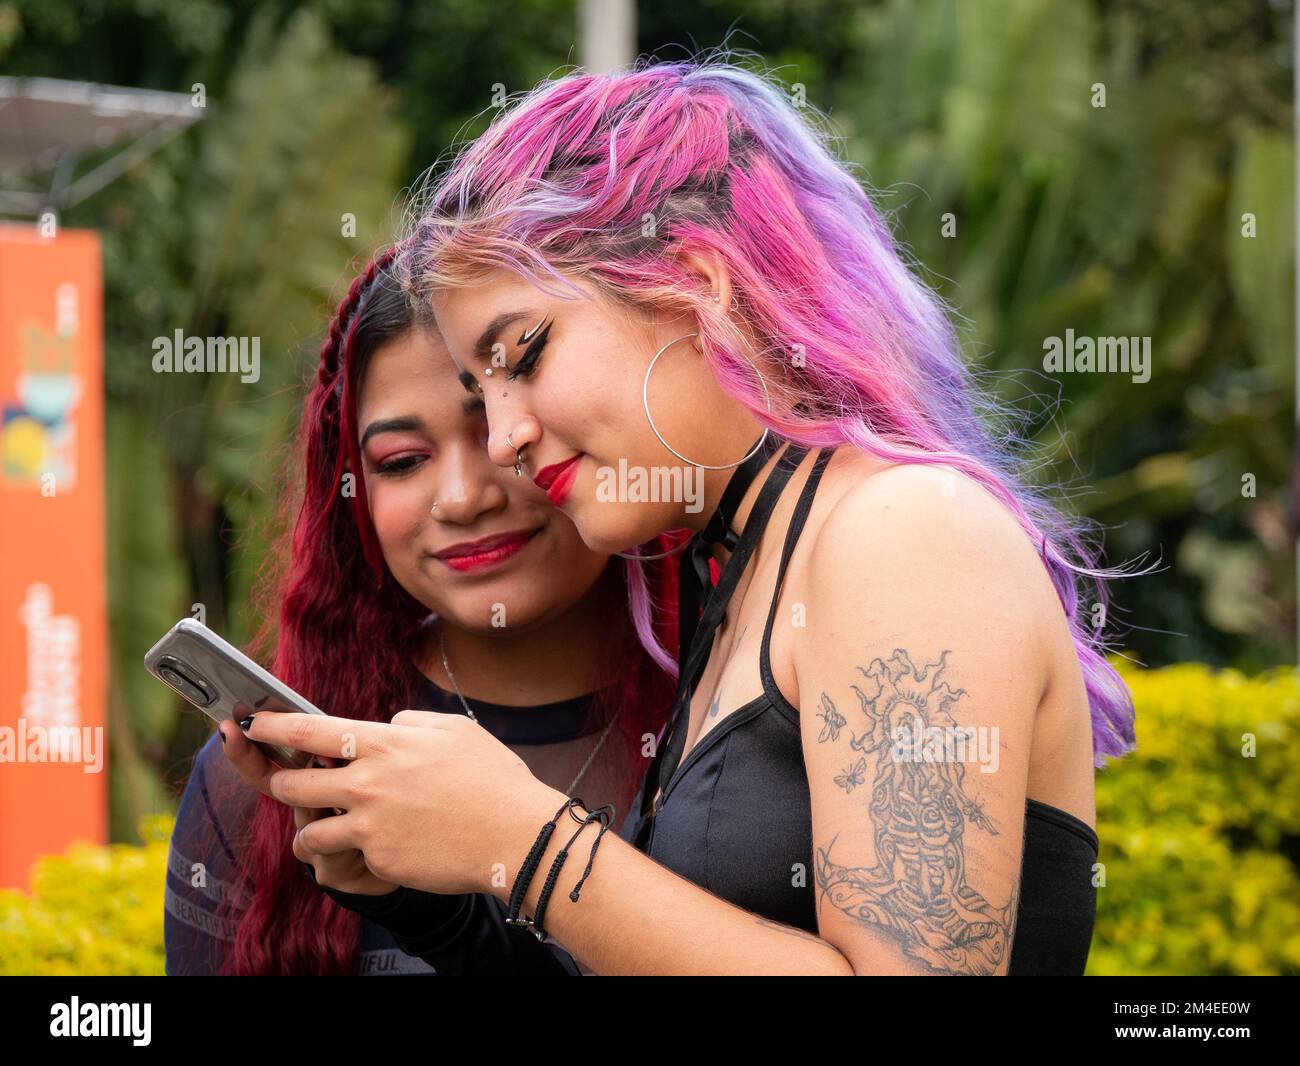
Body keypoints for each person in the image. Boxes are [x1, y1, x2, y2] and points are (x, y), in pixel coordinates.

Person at [242, 56, 1142, 975]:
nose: (506, 437)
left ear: (699, 283)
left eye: (524, 354)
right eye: (483, 387)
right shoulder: (750, 572)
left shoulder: (907, 529)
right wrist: (434, 904)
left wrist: (525, 837)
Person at [164, 248, 679, 976]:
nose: (464, 496)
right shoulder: (283, 775)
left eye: (501, 431)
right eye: (403, 460)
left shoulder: (739, 721)